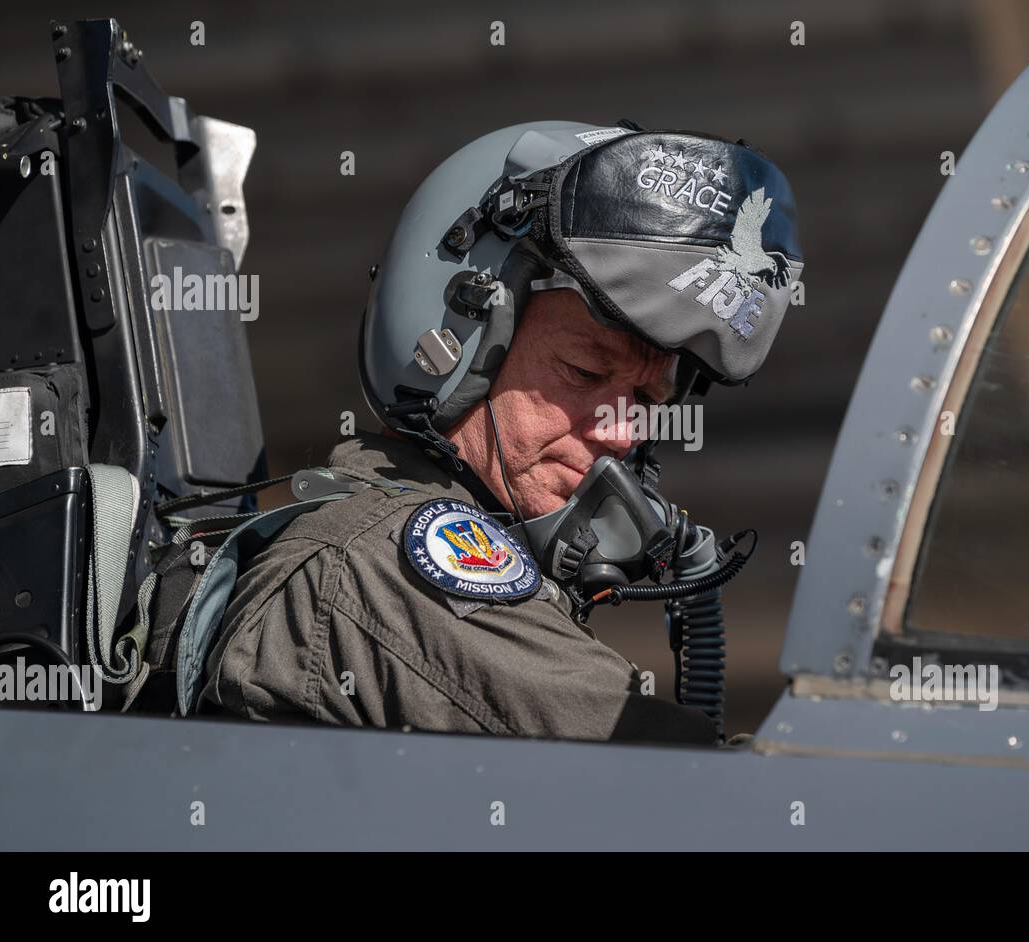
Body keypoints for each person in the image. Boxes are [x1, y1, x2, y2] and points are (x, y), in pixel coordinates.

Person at [200, 121, 804, 744]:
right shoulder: (386, 566)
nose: (622, 433)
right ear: (453, 343)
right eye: (585, 370)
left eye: (648, 399)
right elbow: (684, 795)